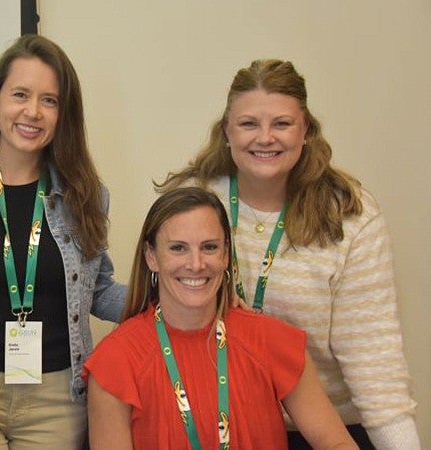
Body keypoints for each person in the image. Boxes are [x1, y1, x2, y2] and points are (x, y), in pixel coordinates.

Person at [159, 59, 419, 449]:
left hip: (322, 431)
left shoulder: (349, 216)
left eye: (281, 123)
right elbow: (158, 314)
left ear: (306, 130)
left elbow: (376, 368)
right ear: (226, 130)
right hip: (217, 426)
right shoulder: (194, 199)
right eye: (249, 124)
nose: (265, 138)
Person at [0, 35, 126, 449]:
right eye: (20, 94)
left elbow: (100, 292)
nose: (32, 112)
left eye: (49, 101)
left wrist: (171, 294)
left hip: (55, 397)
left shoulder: (85, 195)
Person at [83, 187, 358, 449]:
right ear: (151, 257)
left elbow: (336, 443)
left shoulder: (272, 341)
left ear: (226, 254)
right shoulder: (115, 361)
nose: (196, 264)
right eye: (178, 248)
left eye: (209, 247)